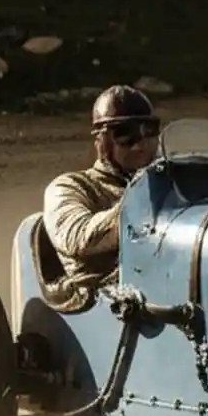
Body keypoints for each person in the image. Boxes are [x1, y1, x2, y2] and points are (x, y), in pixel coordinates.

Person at [42, 84, 161, 287]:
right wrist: (139, 205)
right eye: (125, 134)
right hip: (107, 295)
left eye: (149, 130)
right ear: (101, 140)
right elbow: (79, 238)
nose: (140, 144)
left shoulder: (170, 182)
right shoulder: (69, 187)